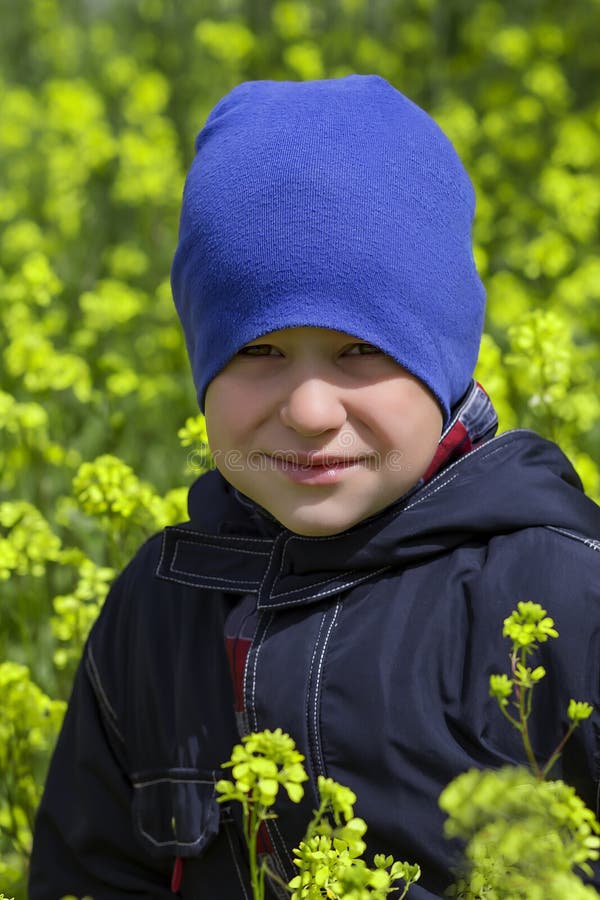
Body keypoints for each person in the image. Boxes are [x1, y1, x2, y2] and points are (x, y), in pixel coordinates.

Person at [29, 75, 600, 899]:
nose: (307, 409)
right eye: (258, 352)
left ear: (442, 363)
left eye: (358, 352)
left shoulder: (559, 592)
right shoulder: (158, 606)